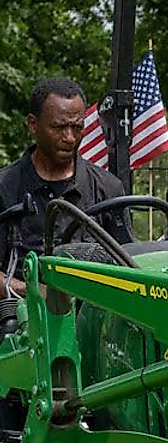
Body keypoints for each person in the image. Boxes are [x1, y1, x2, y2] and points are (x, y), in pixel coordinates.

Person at [0, 77, 127, 295]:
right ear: (33, 124)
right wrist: (34, 291)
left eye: (77, 127)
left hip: (91, 316)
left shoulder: (107, 189)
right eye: (58, 127)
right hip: (21, 315)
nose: (69, 137)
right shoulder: (5, 188)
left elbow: (128, 265)